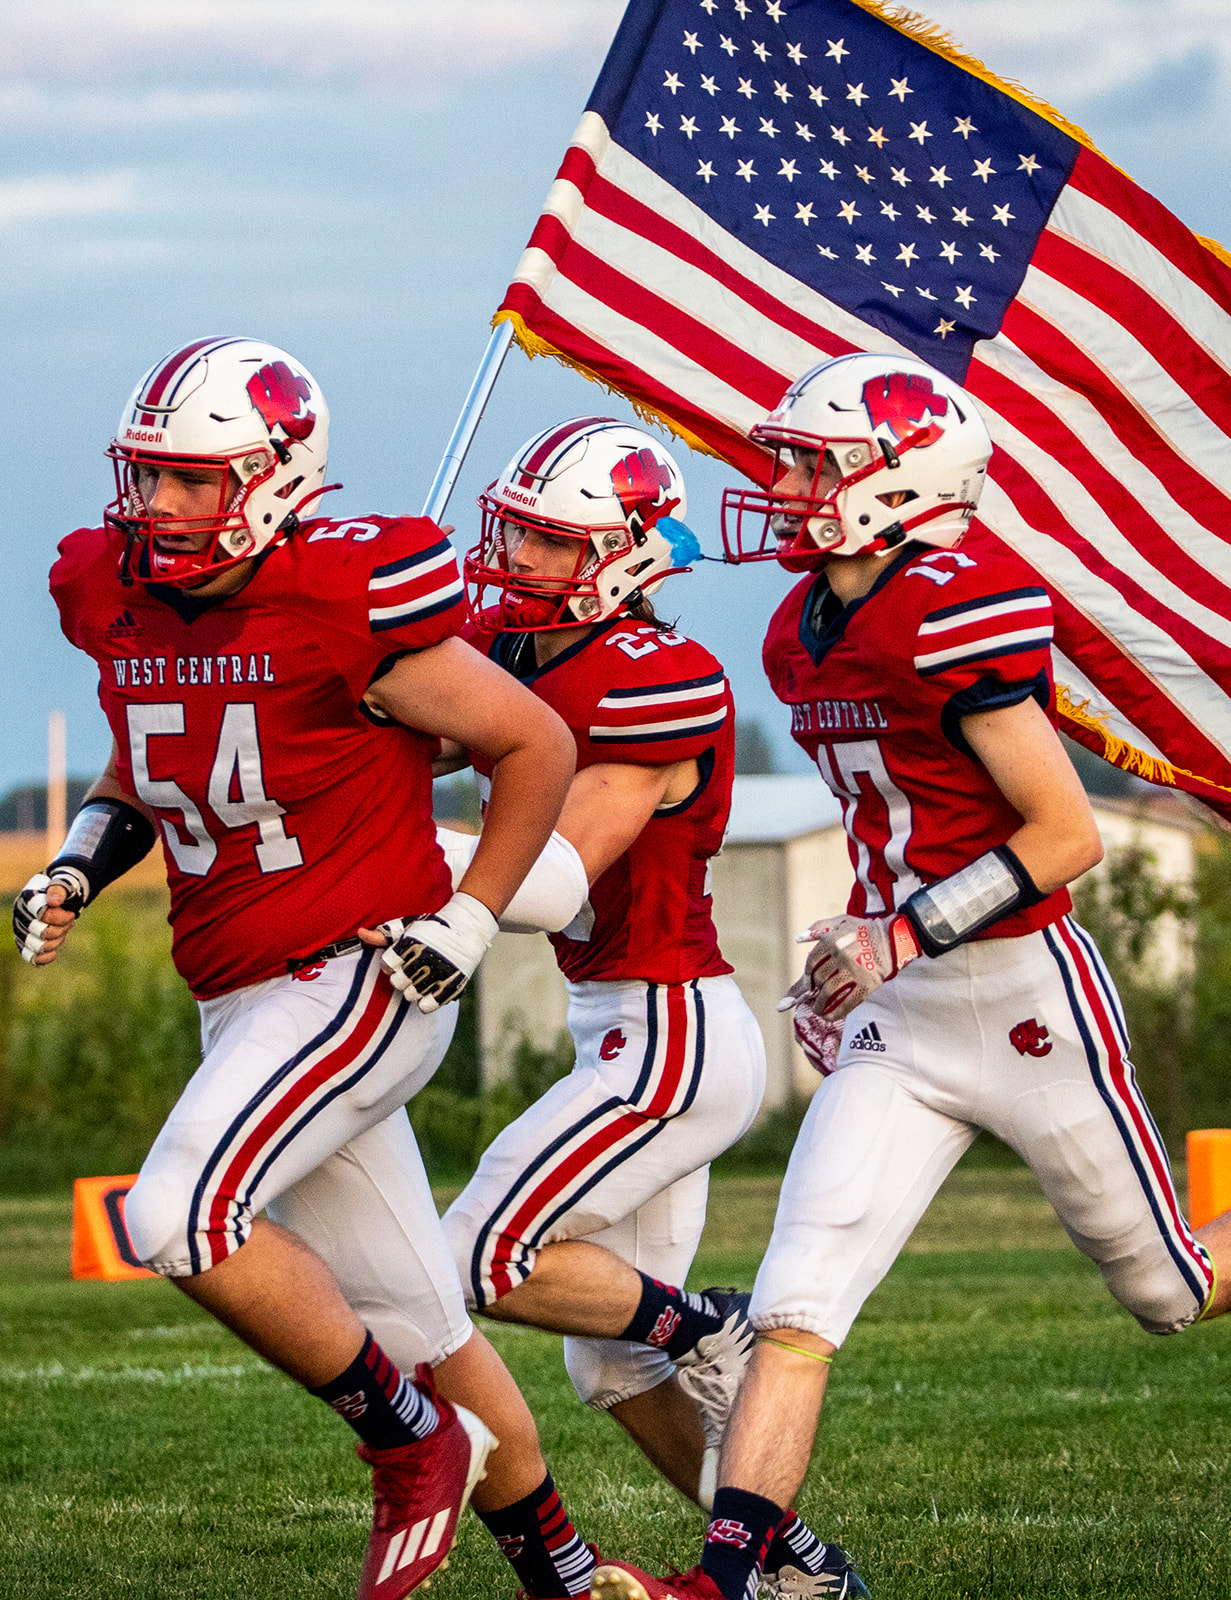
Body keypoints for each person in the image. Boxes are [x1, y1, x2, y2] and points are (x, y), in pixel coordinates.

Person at [588, 353, 1231, 1600]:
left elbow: (1065, 833)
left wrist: (895, 932)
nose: (780, 484)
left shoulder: (954, 606)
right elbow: (892, 818)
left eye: (811, 462)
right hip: (905, 1012)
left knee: (1169, 1286)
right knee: (796, 1305)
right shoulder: (802, 626)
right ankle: (727, 1584)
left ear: (898, 483)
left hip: (1024, 996)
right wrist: (857, 942)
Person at [17, 335, 606, 1600]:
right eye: (149, 476)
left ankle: (407, 1446)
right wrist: (76, 863)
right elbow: (153, 760)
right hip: (242, 990)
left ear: (280, 474)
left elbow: (536, 742)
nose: (161, 507)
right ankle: (565, 1569)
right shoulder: (111, 590)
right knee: (423, 1326)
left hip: (359, 969)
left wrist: (471, 913)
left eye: (194, 480)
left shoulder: (351, 593)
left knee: (177, 1217)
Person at [436, 418, 870, 1600]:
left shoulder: (657, 676)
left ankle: (702, 1325)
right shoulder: (512, 643)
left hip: (670, 1031)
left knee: (472, 1254)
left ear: (625, 553)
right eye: (514, 528)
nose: (515, 554)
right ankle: (800, 1573)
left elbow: (555, 880)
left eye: (548, 538)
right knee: (608, 1370)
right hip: (623, 1026)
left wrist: (378, 853)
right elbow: (396, 737)